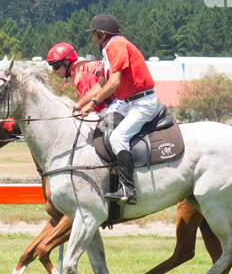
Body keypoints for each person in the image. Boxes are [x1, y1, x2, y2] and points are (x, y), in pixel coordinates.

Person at [74, 14, 157, 203]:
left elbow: (114, 83)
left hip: (142, 103)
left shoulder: (116, 45)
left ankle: (129, 189)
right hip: (127, 102)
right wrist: (79, 105)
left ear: (102, 35)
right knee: (103, 125)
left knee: (118, 137)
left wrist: (93, 104)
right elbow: (100, 85)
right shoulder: (107, 51)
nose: (92, 39)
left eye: (94, 35)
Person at [45, 41, 108, 112]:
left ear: (66, 62)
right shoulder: (81, 67)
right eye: (52, 67)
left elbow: (93, 109)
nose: (54, 71)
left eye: (56, 66)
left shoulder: (80, 74)